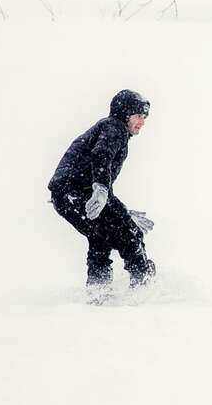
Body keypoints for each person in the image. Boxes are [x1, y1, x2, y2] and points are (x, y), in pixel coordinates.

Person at [48, 89, 154, 301]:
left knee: (101, 237)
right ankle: (143, 288)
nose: (142, 121)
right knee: (130, 233)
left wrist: (119, 208)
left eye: (145, 117)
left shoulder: (109, 129)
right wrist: (101, 190)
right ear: (125, 114)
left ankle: (98, 291)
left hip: (65, 196)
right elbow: (101, 156)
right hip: (79, 191)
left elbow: (99, 167)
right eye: (139, 115)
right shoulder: (115, 128)